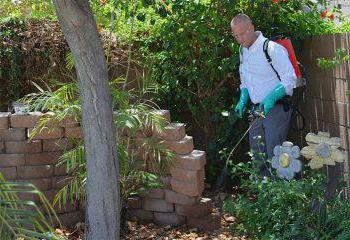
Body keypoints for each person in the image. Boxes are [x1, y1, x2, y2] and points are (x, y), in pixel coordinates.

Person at [231, 14, 296, 177]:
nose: (240, 39)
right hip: (256, 109)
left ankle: (282, 194)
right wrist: (243, 99)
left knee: (275, 153)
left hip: (276, 108)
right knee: (257, 152)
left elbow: (290, 78)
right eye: (236, 35)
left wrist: (271, 97)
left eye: (242, 33)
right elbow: (245, 79)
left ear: (251, 27)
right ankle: (263, 194)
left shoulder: (271, 48)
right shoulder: (242, 51)